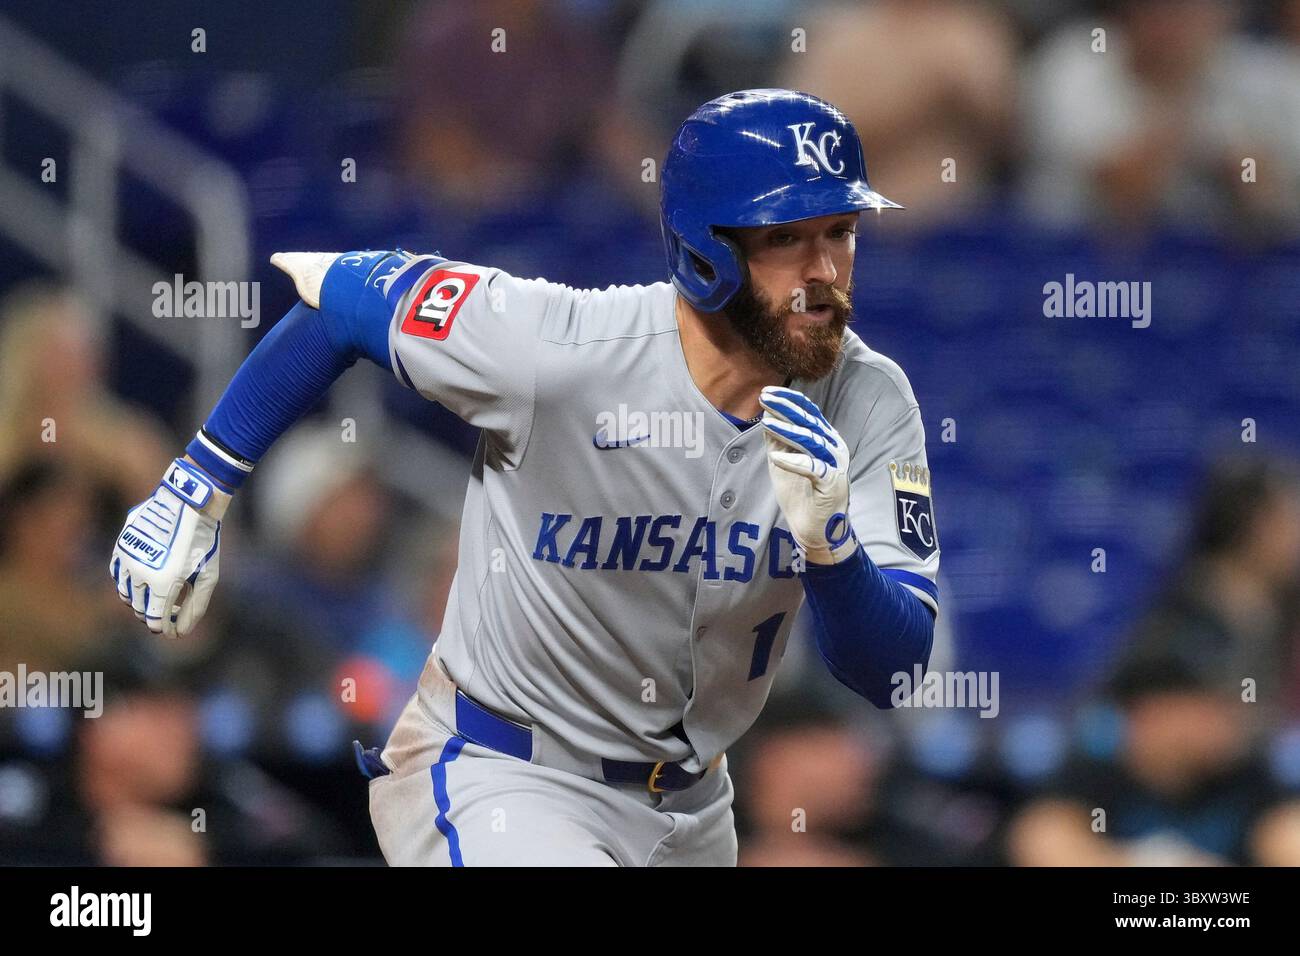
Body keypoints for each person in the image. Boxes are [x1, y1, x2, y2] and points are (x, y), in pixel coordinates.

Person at [109, 90, 940, 866]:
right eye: (786, 239)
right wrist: (197, 484)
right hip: (506, 774)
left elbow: (889, 670)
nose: (826, 269)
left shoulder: (869, 400)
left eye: (840, 231)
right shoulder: (561, 349)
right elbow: (341, 298)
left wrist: (832, 551)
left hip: (693, 809)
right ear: (705, 252)